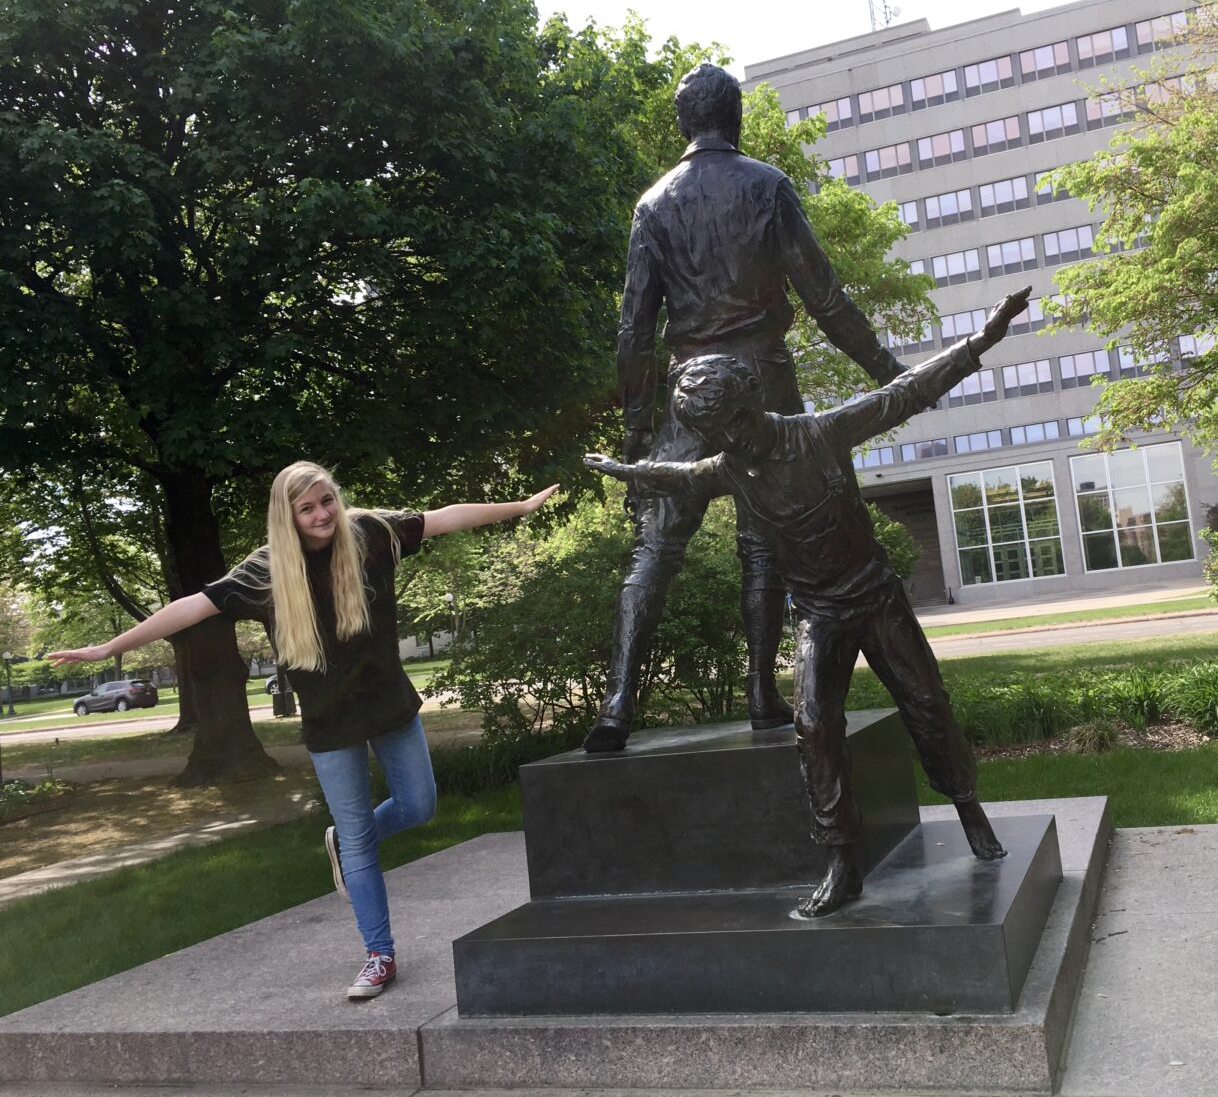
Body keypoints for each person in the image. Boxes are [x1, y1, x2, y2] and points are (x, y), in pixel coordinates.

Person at [585, 286, 1032, 917]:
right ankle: (842, 862)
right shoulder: (730, 465)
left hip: (876, 597)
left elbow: (904, 394)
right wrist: (625, 469)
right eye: (714, 433)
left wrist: (982, 339)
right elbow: (680, 476)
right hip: (819, 612)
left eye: (730, 426)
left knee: (926, 704)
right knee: (815, 723)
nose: (726, 441)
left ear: (749, 408)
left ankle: (967, 808)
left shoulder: (818, 433)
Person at [47, 462, 558, 999]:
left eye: (327, 501)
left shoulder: (370, 533)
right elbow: (190, 608)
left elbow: (445, 518)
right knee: (361, 839)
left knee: (419, 806)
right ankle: (378, 954)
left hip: (387, 705)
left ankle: (346, 843)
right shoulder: (265, 571)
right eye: (307, 508)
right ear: (288, 516)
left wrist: (519, 508)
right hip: (329, 722)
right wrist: (110, 647)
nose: (321, 515)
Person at [588, 61, 909, 754]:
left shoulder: (652, 204)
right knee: (764, 537)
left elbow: (633, 334)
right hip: (762, 376)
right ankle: (763, 691)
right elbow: (825, 300)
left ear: (684, 123)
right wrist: (888, 375)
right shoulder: (767, 187)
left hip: (687, 390)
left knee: (656, 547)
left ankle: (618, 702)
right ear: (735, 119)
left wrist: (639, 436)